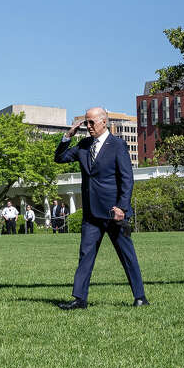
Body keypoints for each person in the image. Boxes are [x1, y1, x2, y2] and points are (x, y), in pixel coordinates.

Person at [54, 107, 149, 309]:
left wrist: (122, 207)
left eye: (92, 122)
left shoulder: (118, 145)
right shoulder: (83, 145)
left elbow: (127, 179)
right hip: (91, 215)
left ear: (104, 122)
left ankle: (140, 297)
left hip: (115, 213)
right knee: (85, 255)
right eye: (86, 123)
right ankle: (79, 299)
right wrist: (67, 136)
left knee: (127, 255)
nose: (88, 126)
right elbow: (59, 158)